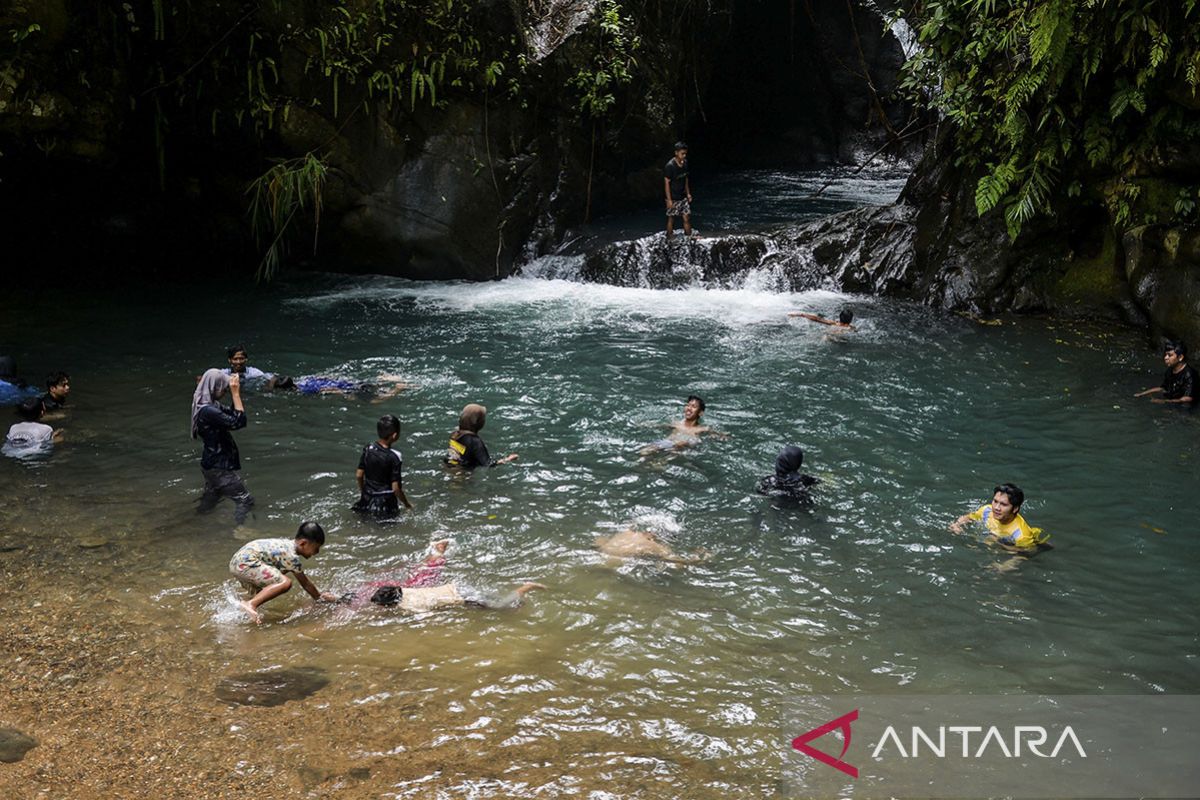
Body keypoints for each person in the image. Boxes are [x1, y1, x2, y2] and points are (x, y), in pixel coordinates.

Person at [339, 540, 544, 613]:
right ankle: (520, 598)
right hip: (458, 586)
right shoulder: (407, 591)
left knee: (500, 607)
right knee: (496, 604)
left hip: (464, 597)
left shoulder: (408, 606)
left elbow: (428, 614)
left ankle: (526, 587)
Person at [229, 522, 338, 623]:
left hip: (237, 562)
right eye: (316, 548)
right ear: (303, 543)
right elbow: (305, 583)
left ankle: (240, 610)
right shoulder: (292, 557)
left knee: (273, 581)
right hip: (247, 562)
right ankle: (250, 604)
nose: (316, 552)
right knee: (285, 583)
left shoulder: (286, 546)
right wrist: (319, 598)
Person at [191, 368, 254, 525]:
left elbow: (233, 415)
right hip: (219, 467)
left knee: (210, 501)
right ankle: (240, 530)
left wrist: (235, 394)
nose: (226, 391)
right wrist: (236, 394)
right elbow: (238, 422)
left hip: (212, 465)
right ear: (214, 387)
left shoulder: (210, 406)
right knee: (245, 500)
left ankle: (194, 525)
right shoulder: (208, 411)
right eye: (223, 388)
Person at [949, 483, 1048, 568]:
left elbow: (1024, 554)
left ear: (1015, 509)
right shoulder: (987, 511)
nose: (996, 508)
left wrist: (1003, 566)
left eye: (1003, 504)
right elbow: (968, 517)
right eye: (995, 501)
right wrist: (957, 525)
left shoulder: (1021, 534)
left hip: (1021, 543)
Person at [352, 414, 414, 517]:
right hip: (385, 503)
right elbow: (396, 489)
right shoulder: (395, 457)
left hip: (367, 498)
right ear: (394, 435)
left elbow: (359, 475)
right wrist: (407, 504)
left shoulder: (368, 448)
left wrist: (364, 492)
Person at [444, 403, 518, 469]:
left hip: (448, 468)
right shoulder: (475, 441)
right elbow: (487, 464)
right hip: (462, 476)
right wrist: (508, 459)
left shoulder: (455, 434)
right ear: (479, 423)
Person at [640, 395, 718, 454]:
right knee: (644, 452)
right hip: (668, 443)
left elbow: (717, 435)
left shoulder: (702, 429)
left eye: (693, 406)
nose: (689, 408)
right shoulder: (676, 424)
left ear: (700, 413)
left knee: (683, 443)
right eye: (688, 405)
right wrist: (646, 425)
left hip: (683, 449)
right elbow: (661, 426)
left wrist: (721, 436)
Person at [1134, 341, 1197, 406]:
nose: (1165, 358)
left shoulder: (1190, 374)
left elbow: (1188, 399)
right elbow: (1163, 388)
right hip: (1172, 402)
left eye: (1170, 355)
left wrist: (1164, 401)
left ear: (1180, 357)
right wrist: (1142, 394)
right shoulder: (1170, 370)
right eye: (1166, 354)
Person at [595, 529, 707, 565]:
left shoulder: (627, 532)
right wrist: (699, 556)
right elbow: (677, 562)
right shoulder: (654, 545)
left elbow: (598, 540)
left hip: (601, 554)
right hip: (615, 562)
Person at [663, 141, 693, 239]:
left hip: (682, 195)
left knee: (686, 217)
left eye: (685, 154)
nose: (684, 156)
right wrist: (669, 200)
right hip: (673, 196)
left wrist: (688, 193)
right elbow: (666, 183)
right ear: (676, 153)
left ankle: (689, 237)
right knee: (671, 218)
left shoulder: (685, 163)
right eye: (682, 154)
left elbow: (686, 179)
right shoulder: (670, 166)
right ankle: (669, 236)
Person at [788, 308, 856, 331]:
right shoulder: (851, 328)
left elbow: (817, 319)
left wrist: (800, 315)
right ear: (850, 320)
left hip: (829, 335)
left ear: (840, 317)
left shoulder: (834, 323)